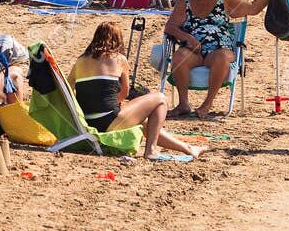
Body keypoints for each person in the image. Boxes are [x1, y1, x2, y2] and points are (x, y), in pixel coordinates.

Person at [69, 22, 207, 159]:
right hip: (108, 121)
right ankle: (151, 150)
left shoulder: (80, 61)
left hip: (86, 122)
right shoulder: (119, 59)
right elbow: (125, 93)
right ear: (118, 40)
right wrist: (113, 104)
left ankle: (188, 148)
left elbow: (70, 89)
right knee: (160, 99)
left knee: (148, 123)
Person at [163, 0, 274, 119]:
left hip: (219, 50)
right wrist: (187, 38)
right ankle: (183, 104)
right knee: (179, 56)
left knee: (222, 57)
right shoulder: (185, 2)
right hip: (194, 51)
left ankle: (207, 104)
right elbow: (170, 27)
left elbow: (254, 9)